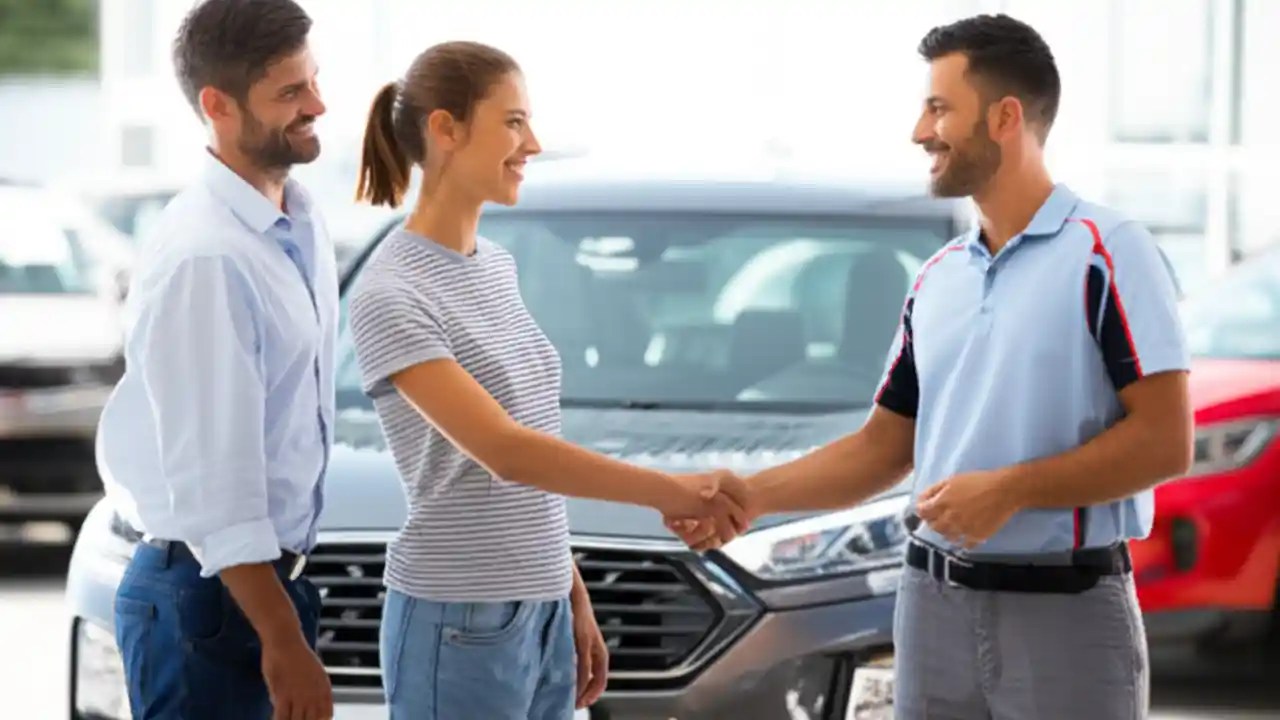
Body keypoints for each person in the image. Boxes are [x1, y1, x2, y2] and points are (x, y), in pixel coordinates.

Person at [668, 14, 1192, 720]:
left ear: (1005, 117)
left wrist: (1011, 490)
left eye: (939, 108)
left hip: (1063, 613)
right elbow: (883, 448)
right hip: (929, 607)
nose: (921, 132)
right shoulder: (939, 277)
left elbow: (1165, 441)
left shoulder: (1109, 251)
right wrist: (753, 496)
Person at [346, 40, 748, 720]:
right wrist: (672, 491)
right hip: (457, 621)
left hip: (540, 608)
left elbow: (531, 445)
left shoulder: (495, 266)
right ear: (446, 129)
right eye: (513, 122)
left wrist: (568, 592)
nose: (531, 144)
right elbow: (506, 451)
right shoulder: (392, 291)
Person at [97, 1, 337, 718]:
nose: (317, 104)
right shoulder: (207, 255)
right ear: (217, 106)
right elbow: (216, 483)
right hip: (207, 601)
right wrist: (281, 637)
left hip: (257, 591)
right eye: (290, 92)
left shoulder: (299, 221)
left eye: (314, 80)